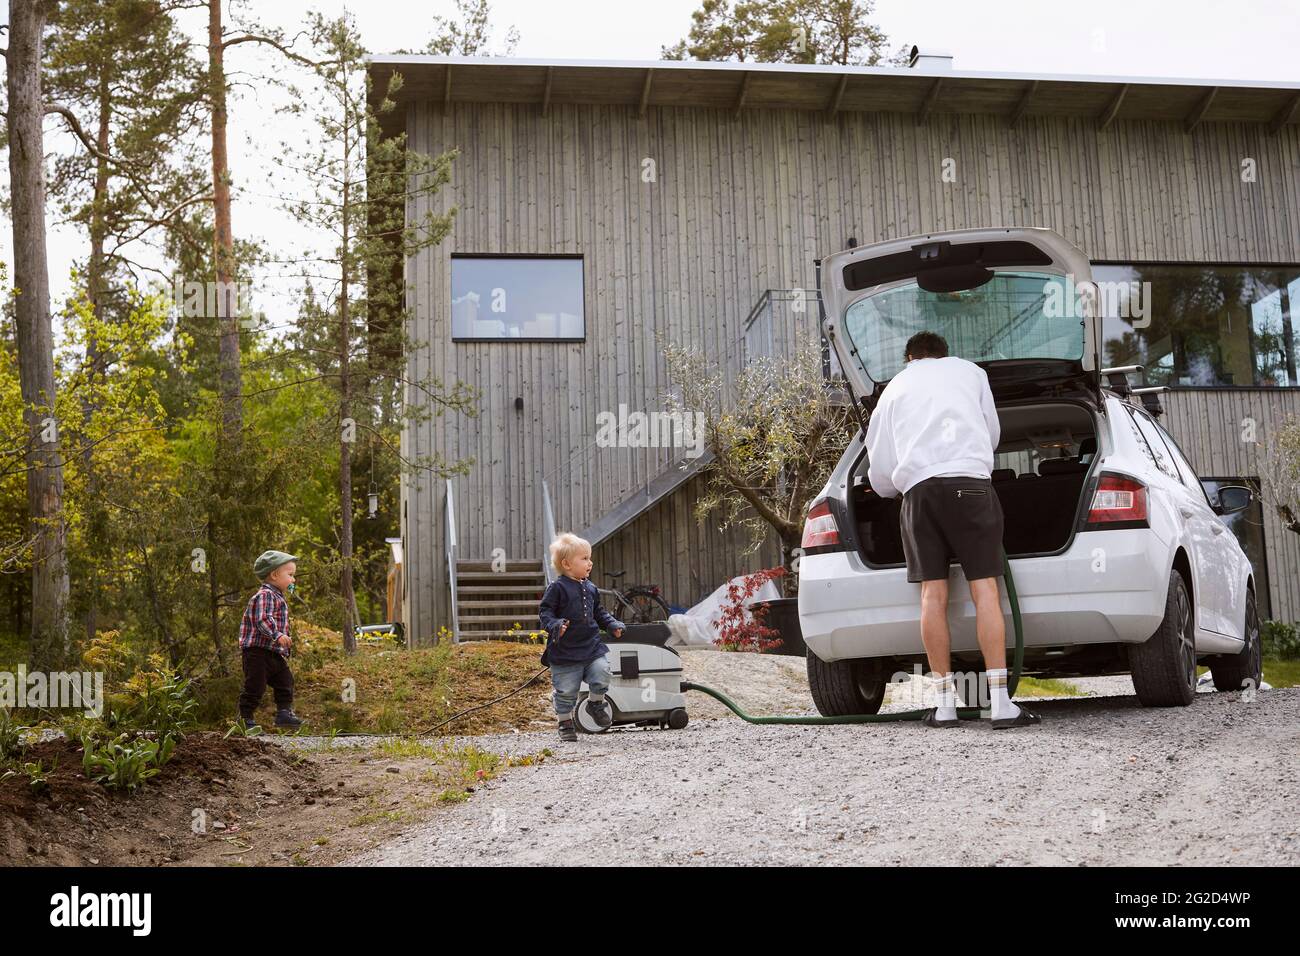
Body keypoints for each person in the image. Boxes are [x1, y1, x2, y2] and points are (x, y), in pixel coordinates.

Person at [865, 331, 1040, 729]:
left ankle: (944, 707)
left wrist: (894, 487)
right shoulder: (972, 373)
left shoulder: (894, 388)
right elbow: (990, 433)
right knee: (985, 589)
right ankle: (999, 705)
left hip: (920, 493)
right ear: (945, 354)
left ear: (910, 358)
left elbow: (881, 465)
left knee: (932, 594)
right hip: (971, 485)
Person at [538, 532, 625, 742]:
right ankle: (565, 722)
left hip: (591, 647)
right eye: (584, 558)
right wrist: (556, 625)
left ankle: (596, 703)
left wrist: (611, 623)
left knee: (602, 672)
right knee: (566, 691)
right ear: (567, 564)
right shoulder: (557, 588)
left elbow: (599, 612)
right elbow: (545, 613)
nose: (590, 562)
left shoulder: (591, 587)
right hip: (565, 652)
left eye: (590, 557)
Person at [237, 550, 306, 730]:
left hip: (273, 652)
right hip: (257, 652)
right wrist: (278, 635)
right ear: (275, 575)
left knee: (286, 681)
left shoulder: (277, 596)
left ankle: (284, 713)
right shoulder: (265, 595)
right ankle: (245, 718)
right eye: (290, 575)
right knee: (255, 685)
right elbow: (263, 620)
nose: (293, 580)